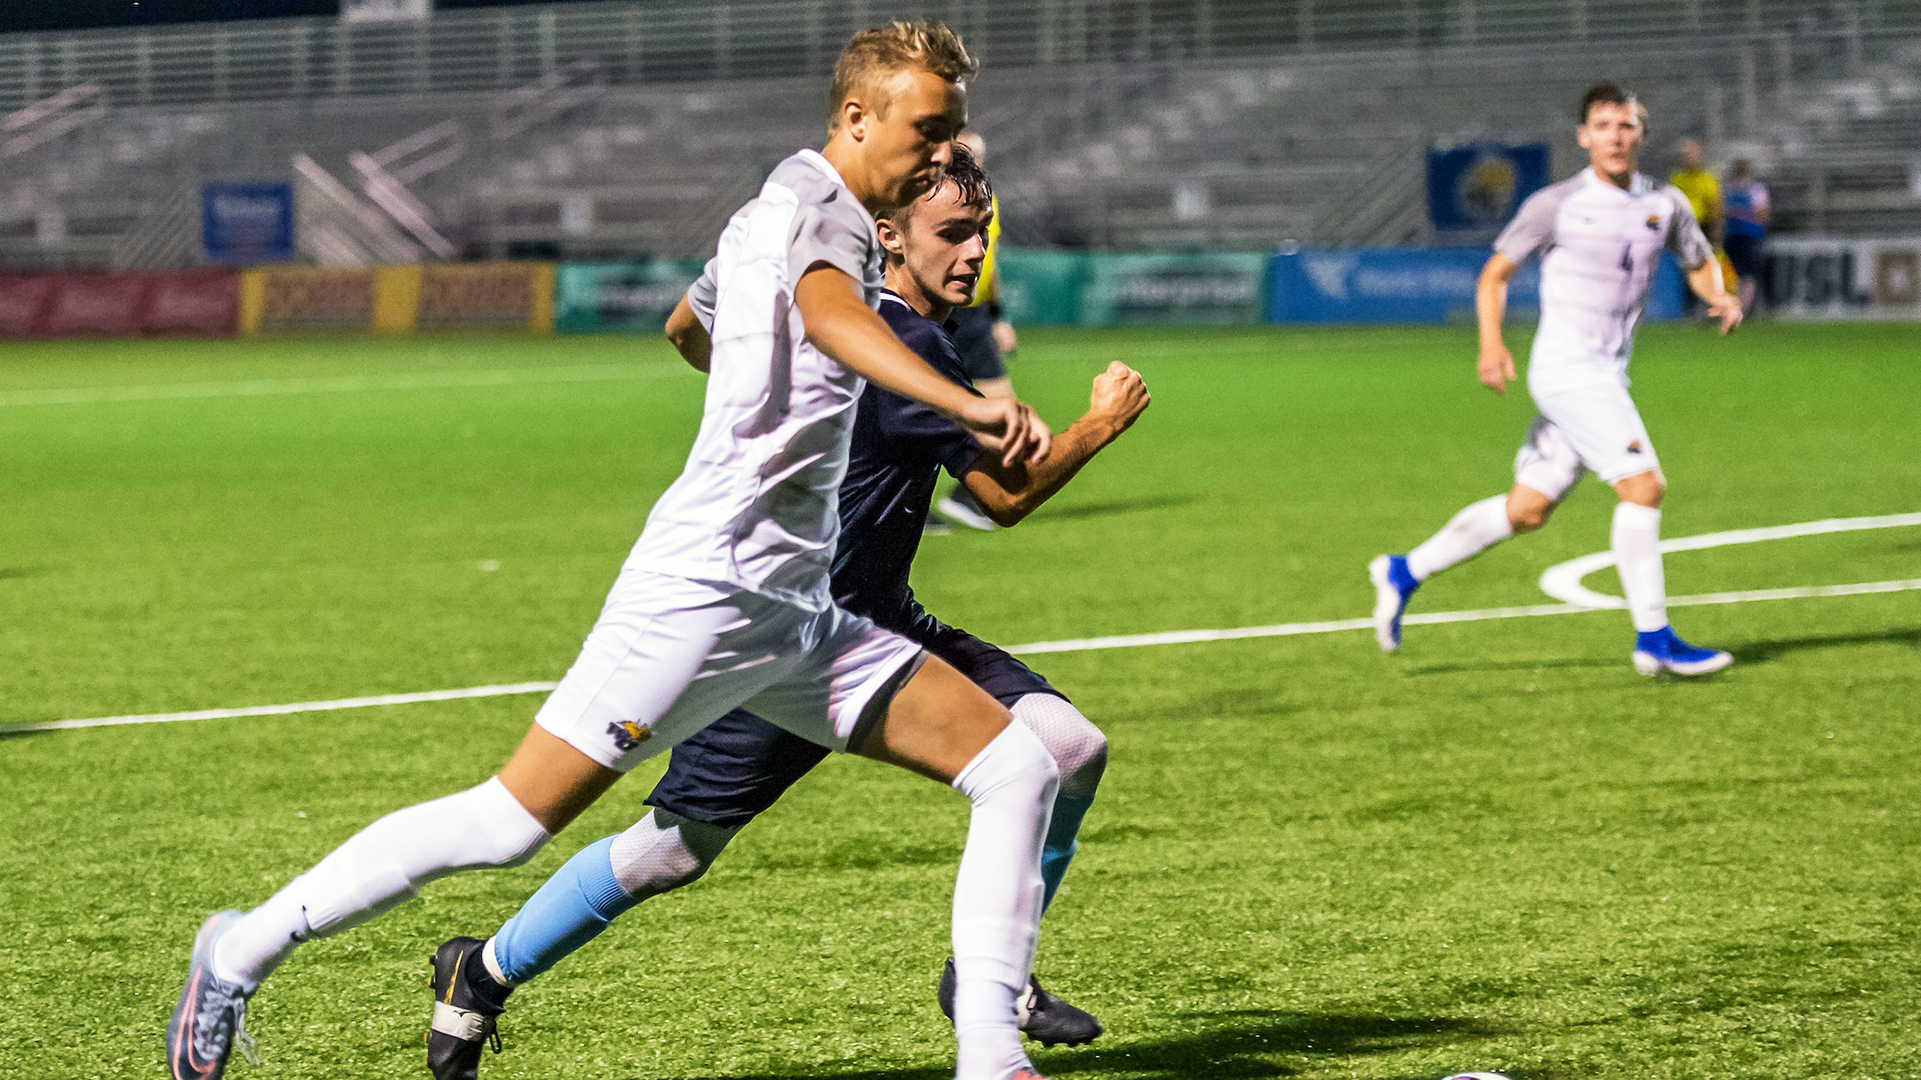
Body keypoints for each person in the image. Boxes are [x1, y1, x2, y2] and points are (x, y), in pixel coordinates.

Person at [169, 23, 1071, 1080]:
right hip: (703, 591)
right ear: (857, 118)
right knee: (507, 823)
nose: (939, 152)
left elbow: (688, 327)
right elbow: (828, 318)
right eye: (928, 130)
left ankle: (990, 1057)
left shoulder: (769, 213)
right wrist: (955, 393)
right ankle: (238, 949)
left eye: (951, 132)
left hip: (794, 607)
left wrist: (752, 387)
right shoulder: (813, 210)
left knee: (1017, 763)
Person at [421, 142, 1150, 1080]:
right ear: (887, 236)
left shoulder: (867, 323)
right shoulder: (902, 344)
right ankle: (480, 971)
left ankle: (988, 981)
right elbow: (1004, 498)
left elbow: (687, 329)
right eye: (952, 234)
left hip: (882, 621)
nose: (972, 253)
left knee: (1067, 747)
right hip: (788, 645)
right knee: (668, 854)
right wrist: (1100, 421)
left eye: (981, 233)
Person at [1368, 81, 1742, 677]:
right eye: (1603, 127)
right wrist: (1491, 345)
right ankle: (1655, 640)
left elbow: (1697, 261)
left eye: (1626, 126)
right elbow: (1494, 275)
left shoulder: (1665, 203)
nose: (1615, 138)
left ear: (1640, 134)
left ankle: (1402, 571)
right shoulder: (1557, 204)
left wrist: (1719, 298)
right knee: (1643, 487)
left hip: (1605, 374)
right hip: (1567, 371)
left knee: (1528, 509)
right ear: (1583, 137)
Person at [935, 131, 1021, 530]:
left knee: (999, 414)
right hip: (948, 314)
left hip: (977, 315)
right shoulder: (935, 200)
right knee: (934, 411)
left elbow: (992, 266)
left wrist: (998, 316)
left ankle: (964, 497)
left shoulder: (990, 202)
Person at [1668, 137, 1722, 315]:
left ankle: (1708, 307)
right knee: (1687, 269)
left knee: (1705, 268)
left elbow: (1715, 208)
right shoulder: (1677, 179)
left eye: (1691, 154)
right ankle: (1689, 309)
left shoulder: (1707, 179)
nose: (1688, 158)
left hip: (1703, 227)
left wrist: (1715, 234)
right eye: (1685, 155)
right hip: (1683, 229)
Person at [1722, 159, 1770, 314]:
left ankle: (1742, 308)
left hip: (1748, 236)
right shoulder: (1730, 190)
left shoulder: (1755, 190)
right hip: (1734, 236)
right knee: (1733, 274)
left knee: (1746, 273)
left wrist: (1740, 214)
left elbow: (1763, 214)